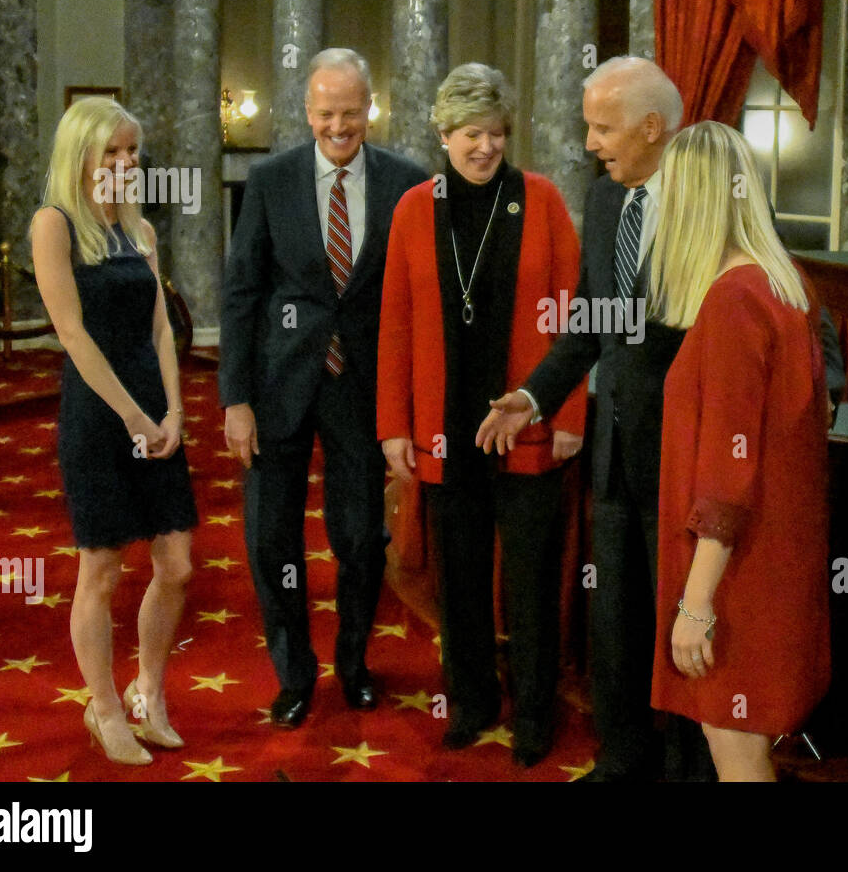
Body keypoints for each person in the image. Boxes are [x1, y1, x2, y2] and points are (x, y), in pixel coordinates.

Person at [477, 56, 847, 781]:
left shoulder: (715, 192)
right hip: (618, 450)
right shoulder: (608, 200)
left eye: (602, 125)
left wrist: (808, 400)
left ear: (653, 127)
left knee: (692, 633)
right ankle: (624, 759)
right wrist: (536, 394)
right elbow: (594, 319)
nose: (590, 141)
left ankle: (692, 771)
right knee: (618, 627)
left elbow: (795, 314)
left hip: (698, 470)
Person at [378, 63, 586, 767]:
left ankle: (533, 711)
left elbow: (572, 320)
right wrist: (394, 426)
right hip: (445, 427)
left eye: (497, 134)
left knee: (529, 583)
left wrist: (567, 413)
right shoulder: (413, 208)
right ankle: (469, 702)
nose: (486, 148)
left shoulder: (544, 200)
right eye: (472, 134)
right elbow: (397, 325)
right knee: (458, 582)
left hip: (526, 424)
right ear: (443, 134)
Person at [219, 48, 428, 728]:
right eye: (327, 112)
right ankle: (295, 674)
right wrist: (235, 399)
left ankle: (354, 662)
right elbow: (243, 292)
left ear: (370, 108)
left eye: (351, 111)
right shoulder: (271, 179)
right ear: (308, 112)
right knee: (271, 540)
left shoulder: (407, 182)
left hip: (363, 387)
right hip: (279, 384)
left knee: (363, 537)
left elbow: (417, 297)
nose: (340, 125)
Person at [645, 121, 832, 781]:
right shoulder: (783, 286)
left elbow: (728, 475)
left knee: (738, 761)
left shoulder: (734, 301)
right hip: (774, 565)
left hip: (736, 580)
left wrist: (696, 605)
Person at [30, 97, 198, 765]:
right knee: (100, 568)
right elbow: (70, 332)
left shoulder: (141, 228)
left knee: (179, 566)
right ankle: (101, 705)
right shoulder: (54, 224)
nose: (127, 163)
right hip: (100, 414)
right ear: (83, 155)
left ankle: (147, 690)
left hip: (155, 409)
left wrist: (175, 414)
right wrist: (131, 414)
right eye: (114, 152)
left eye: (133, 152)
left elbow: (162, 327)